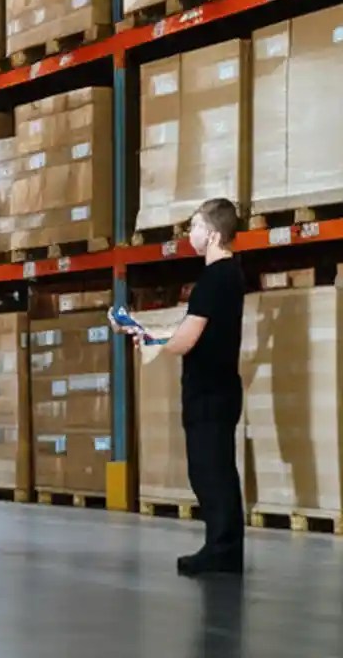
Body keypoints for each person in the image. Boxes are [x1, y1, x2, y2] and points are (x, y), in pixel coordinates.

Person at [111, 198, 245, 576]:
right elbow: (191, 332)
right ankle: (226, 549)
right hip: (221, 387)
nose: (191, 234)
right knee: (218, 469)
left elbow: (186, 340)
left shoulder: (212, 280)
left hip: (208, 391)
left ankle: (221, 551)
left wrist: (144, 336)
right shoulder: (231, 275)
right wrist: (149, 334)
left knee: (209, 472)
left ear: (214, 234)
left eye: (196, 226)